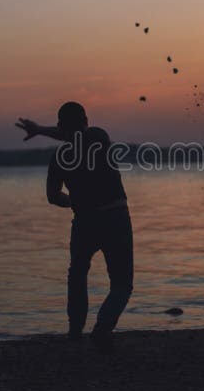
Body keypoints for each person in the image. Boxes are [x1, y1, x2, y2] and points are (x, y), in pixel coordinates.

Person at [16, 102, 132, 352]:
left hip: (84, 221)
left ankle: (75, 331)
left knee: (78, 274)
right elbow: (76, 135)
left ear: (60, 125)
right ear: (86, 120)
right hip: (115, 217)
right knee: (122, 283)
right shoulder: (99, 137)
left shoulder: (58, 159)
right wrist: (42, 130)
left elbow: (53, 196)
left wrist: (75, 202)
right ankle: (101, 329)